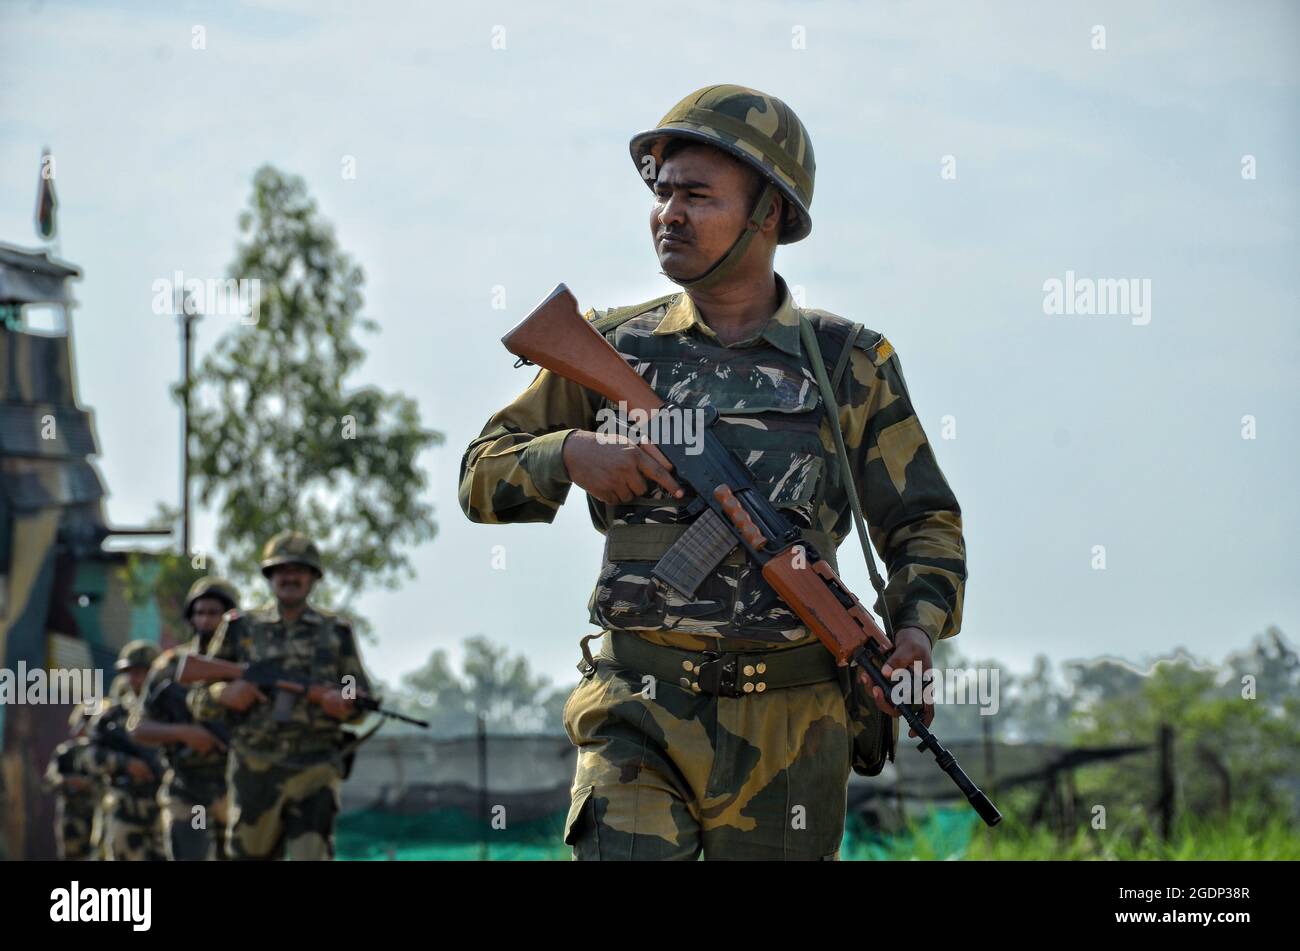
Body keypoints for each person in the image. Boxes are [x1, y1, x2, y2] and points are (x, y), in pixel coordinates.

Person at [460, 84, 968, 860]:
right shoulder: (610, 348)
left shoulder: (850, 364)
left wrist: (915, 630)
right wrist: (569, 455)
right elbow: (479, 475)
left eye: (698, 195)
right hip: (638, 708)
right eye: (662, 192)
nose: (670, 213)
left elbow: (924, 524)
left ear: (768, 214)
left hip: (792, 725)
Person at [189, 531, 372, 860]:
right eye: (281, 569)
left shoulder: (336, 632)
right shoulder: (239, 628)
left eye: (299, 570)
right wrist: (224, 693)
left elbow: (358, 694)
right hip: (255, 767)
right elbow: (198, 698)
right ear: (270, 576)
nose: (290, 577)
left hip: (315, 768)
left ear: (313, 577)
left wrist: (342, 701)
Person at [129, 576, 240, 860]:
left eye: (214, 613)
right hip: (188, 787)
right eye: (199, 612)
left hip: (237, 786)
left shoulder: (244, 665)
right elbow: (138, 727)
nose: (205, 620)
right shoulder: (169, 666)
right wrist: (185, 733)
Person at [84, 641, 166, 860]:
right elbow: (89, 757)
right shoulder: (111, 716)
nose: (135, 679)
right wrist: (125, 763)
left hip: (164, 807)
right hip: (125, 809)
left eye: (142, 672)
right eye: (131, 673)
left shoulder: (171, 710)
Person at [43, 703, 99, 860]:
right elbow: (49, 781)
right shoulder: (66, 752)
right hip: (73, 822)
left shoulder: (104, 752)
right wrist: (69, 781)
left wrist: (91, 784)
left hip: (100, 818)